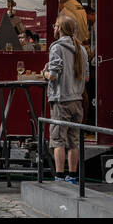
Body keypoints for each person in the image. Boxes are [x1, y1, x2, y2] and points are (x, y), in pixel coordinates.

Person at [43, 13, 89, 182]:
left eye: (55, 26)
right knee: (74, 141)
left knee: (58, 140)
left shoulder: (57, 47)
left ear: (60, 29)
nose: (54, 28)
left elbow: (53, 76)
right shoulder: (82, 49)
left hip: (61, 100)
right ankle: (73, 176)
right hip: (77, 101)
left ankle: (60, 176)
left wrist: (44, 73)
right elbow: (86, 78)